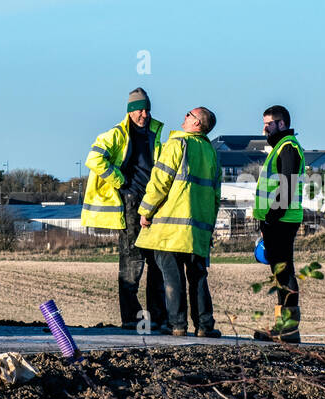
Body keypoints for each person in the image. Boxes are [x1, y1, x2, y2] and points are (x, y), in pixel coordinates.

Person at [82, 87, 168, 328]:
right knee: (132, 260)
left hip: (152, 203)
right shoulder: (117, 134)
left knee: (157, 261)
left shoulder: (155, 134)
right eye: (140, 110)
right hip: (130, 203)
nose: (144, 114)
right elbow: (94, 159)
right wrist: (121, 182)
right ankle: (131, 318)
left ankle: (158, 317)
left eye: (147, 109)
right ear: (130, 112)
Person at [136, 107, 222, 338]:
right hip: (197, 230)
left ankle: (178, 325)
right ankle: (205, 326)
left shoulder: (177, 144)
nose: (184, 116)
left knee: (172, 278)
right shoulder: (210, 151)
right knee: (198, 278)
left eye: (188, 115)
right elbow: (216, 194)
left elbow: (160, 181)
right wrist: (210, 226)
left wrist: (145, 210)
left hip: (170, 229)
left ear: (197, 124)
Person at [252, 104, 306, 343]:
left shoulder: (288, 148)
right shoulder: (281, 148)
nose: (265, 128)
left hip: (281, 220)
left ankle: (288, 330)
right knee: (281, 274)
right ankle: (283, 327)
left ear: (281, 124)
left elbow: (287, 185)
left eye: (269, 123)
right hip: (278, 219)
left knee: (284, 274)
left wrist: (271, 218)